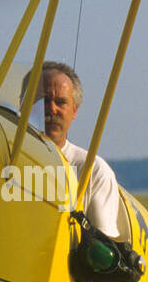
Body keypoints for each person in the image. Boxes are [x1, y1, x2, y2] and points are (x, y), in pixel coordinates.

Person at [19, 60, 122, 237]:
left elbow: (103, 247)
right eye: (42, 100)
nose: (51, 109)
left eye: (60, 102)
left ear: (74, 110)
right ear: (23, 104)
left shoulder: (92, 170)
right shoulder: (4, 158)